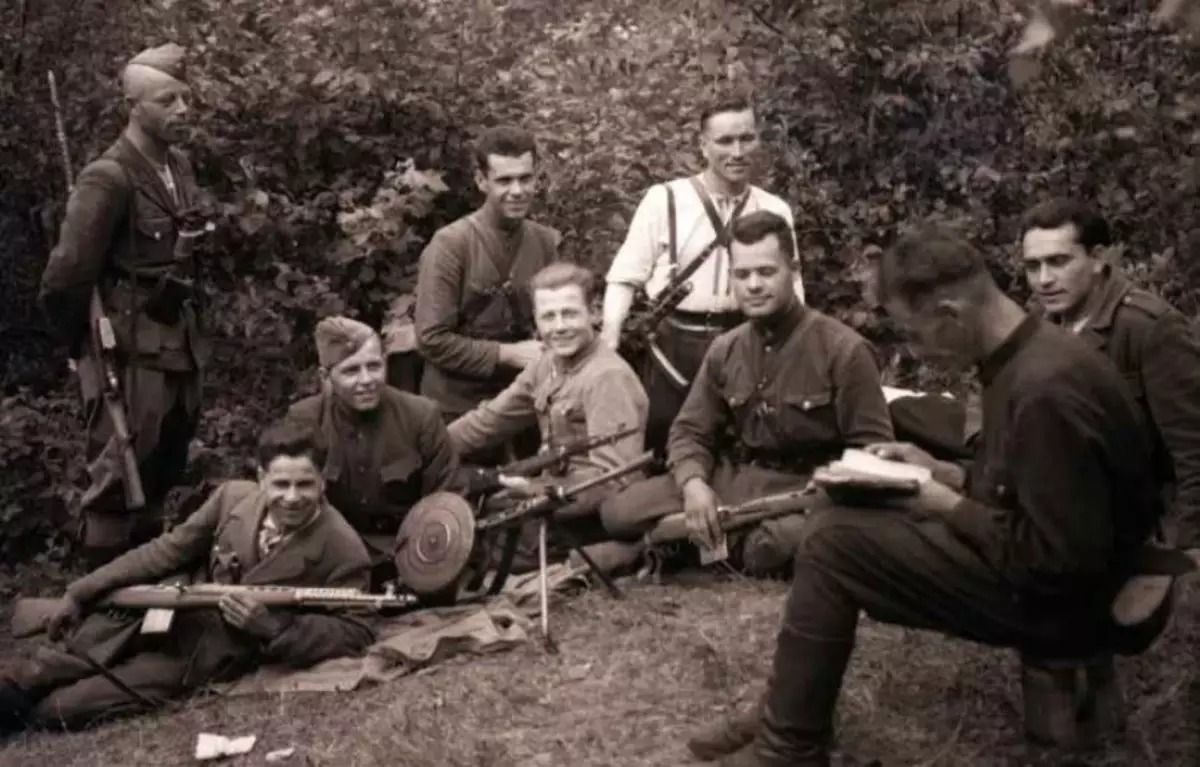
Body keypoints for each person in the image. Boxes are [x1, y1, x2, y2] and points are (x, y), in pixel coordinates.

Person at [698, 226, 1168, 766]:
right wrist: (945, 473)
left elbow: (1057, 562)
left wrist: (944, 505)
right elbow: (1035, 490)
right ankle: (787, 711)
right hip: (1070, 570)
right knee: (837, 507)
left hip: (1085, 603)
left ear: (950, 313)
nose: (915, 348)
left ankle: (788, 746)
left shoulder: (1044, 389)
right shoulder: (1027, 354)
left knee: (832, 544)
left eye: (913, 332)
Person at [0, 421, 375, 733]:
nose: (292, 497)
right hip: (160, 610)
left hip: (202, 653)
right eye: (281, 484)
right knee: (37, 670)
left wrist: (276, 629)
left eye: (305, 484)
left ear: (323, 480)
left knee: (62, 709)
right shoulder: (232, 497)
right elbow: (167, 550)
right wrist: (81, 590)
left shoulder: (343, 548)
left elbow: (356, 629)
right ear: (261, 477)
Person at [598, 211, 893, 576]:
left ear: (793, 270)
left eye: (766, 272)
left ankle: (675, 547)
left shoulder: (844, 351)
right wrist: (693, 484)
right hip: (737, 480)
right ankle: (692, 541)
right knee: (618, 514)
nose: (753, 285)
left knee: (768, 549)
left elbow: (874, 451)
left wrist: (830, 492)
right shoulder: (726, 349)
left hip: (807, 490)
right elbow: (690, 431)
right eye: (742, 274)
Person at [39, 43, 210, 568]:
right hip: (128, 354)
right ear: (133, 106)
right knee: (118, 481)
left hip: (177, 344)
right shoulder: (108, 178)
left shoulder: (177, 166)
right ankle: (100, 613)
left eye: (186, 98)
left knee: (160, 475)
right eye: (166, 100)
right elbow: (65, 279)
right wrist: (82, 348)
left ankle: (143, 609)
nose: (182, 110)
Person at [600, 98, 807, 454]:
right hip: (672, 348)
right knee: (661, 446)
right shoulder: (664, 199)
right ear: (703, 145)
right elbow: (625, 276)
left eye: (747, 138)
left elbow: (793, 288)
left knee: (740, 446)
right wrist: (610, 338)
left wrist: (800, 349)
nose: (738, 151)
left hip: (747, 343)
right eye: (725, 141)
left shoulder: (774, 209)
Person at [1020, 197, 1200, 559]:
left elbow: (1193, 452)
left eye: (1058, 261)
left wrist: (1184, 554)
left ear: (1098, 257)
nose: (1044, 280)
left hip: (1143, 528)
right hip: (1068, 519)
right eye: (1032, 266)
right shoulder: (1037, 325)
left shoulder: (1148, 329)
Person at [448, 262, 649, 555]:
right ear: (536, 322)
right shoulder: (547, 365)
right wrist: (426, 448)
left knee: (481, 534)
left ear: (594, 313)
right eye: (548, 317)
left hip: (586, 514)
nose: (559, 327)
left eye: (569, 313)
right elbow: (487, 422)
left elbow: (614, 480)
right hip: (552, 496)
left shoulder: (607, 377)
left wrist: (534, 492)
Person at [413, 125, 560, 465]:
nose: (517, 190)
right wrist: (507, 354)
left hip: (521, 404)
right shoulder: (451, 245)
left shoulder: (544, 242)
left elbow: (554, 319)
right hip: (456, 408)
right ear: (482, 181)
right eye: (504, 181)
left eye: (526, 179)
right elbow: (432, 339)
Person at [286, 317, 459, 586]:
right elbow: (291, 504)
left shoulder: (421, 416)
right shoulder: (305, 420)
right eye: (351, 371)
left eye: (374, 366)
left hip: (408, 560)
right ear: (325, 377)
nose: (366, 380)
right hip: (333, 563)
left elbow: (449, 502)